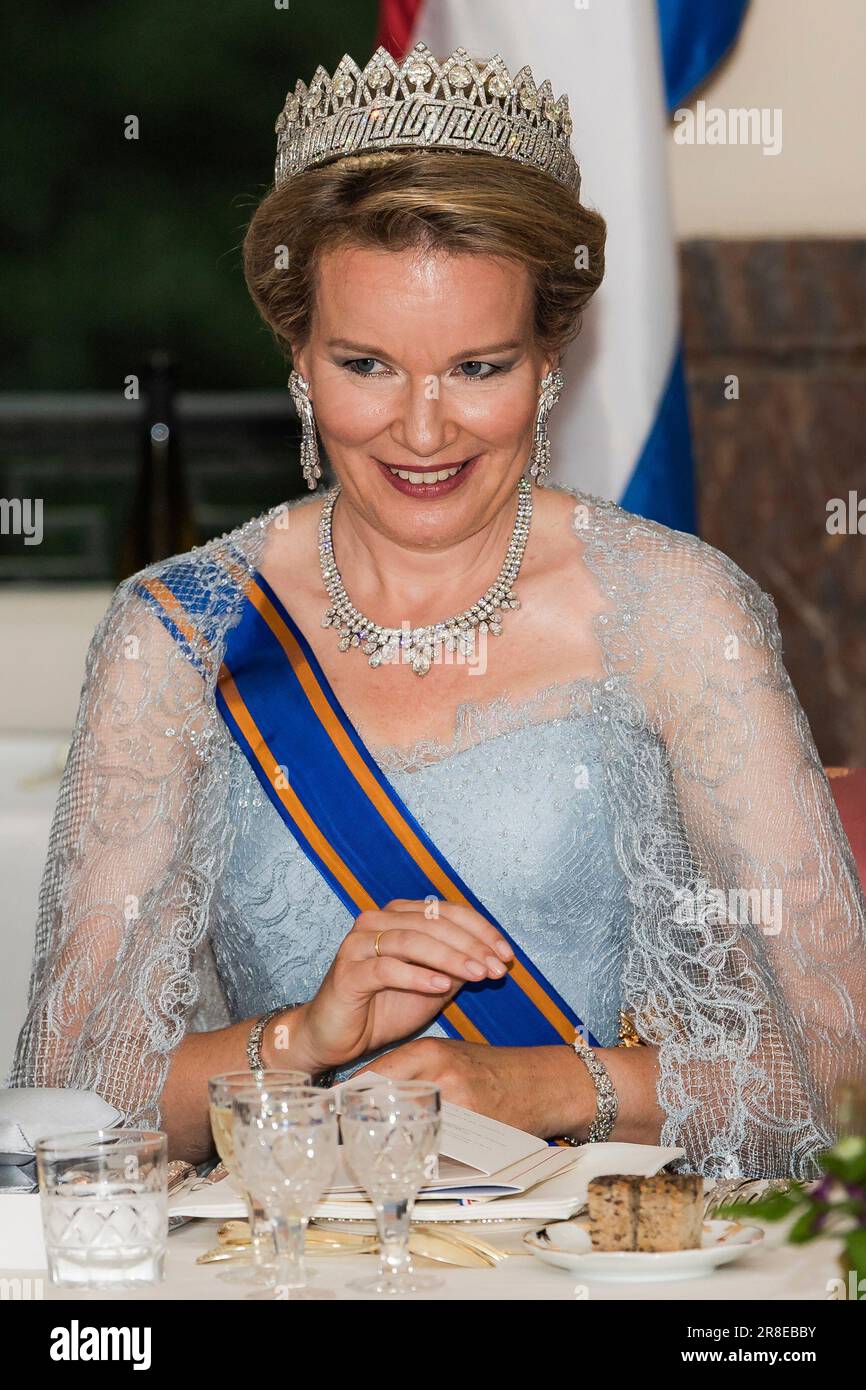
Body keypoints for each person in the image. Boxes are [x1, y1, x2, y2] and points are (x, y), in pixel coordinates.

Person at [9, 43, 866, 1178]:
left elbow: (840, 1074)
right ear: (298, 356)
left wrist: (537, 1086)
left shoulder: (673, 611)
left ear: (550, 358)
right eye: (366, 365)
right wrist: (302, 1042)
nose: (422, 431)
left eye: (478, 368)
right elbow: (62, 1106)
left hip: (601, 1251)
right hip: (284, 1248)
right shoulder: (178, 635)